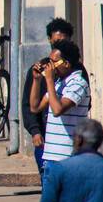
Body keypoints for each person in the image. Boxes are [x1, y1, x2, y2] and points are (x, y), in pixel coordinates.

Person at [30, 38, 89, 184]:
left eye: (53, 62)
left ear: (67, 64)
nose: (49, 67)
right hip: (51, 158)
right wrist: (37, 80)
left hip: (69, 158)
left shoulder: (78, 84)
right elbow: (35, 107)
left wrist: (49, 80)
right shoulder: (58, 85)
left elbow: (57, 109)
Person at [22, 18, 76, 179]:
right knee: (48, 183)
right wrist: (35, 131)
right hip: (46, 139)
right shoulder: (43, 70)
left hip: (68, 142)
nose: (54, 65)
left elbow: (60, 109)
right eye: (55, 42)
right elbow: (32, 106)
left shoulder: (77, 78)